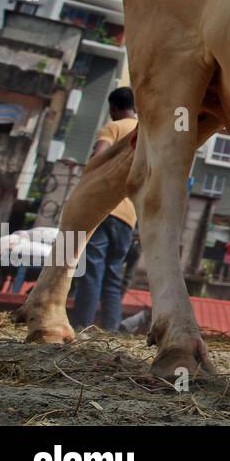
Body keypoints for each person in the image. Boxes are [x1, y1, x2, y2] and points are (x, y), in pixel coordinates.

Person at [70, 86, 139, 332]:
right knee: (113, 276)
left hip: (104, 209)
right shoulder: (146, 133)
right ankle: (110, 330)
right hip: (129, 216)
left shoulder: (114, 127)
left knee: (91, 271)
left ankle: (82, 326)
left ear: (113, 109)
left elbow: (98, 159)